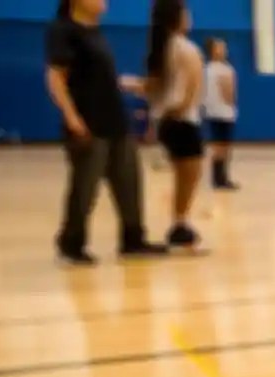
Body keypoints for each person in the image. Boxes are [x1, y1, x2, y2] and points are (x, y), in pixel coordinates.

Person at [45, 0, 167, 264]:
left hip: (116, 122)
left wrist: (133, 84)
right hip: (89, 124)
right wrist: (72, 117)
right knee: (85, 187)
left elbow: (99, 77)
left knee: (129, 182)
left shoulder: (96, 32)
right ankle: (71, 244)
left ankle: (133, 240)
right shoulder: (64, 30)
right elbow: (56, 78)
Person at [147, 0, 206, 250]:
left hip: (165, 120)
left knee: (181, 176)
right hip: (182, 120)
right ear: (177, 17)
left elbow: (153, 88)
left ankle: (179, 224)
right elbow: (193, 85)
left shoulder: (160, 48)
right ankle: (180, 224)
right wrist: (181, 108)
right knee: (189, 176)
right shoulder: (186, 47)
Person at [203, 37, 238, 190]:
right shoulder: (226, 69)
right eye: (221, 47)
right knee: (223, 146)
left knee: (218, 145)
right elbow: (229, 92)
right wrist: (231, 105)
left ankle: (217, 178)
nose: (224, 50)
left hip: (211, 111)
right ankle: (222, 178)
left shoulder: (206, 69)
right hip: (224, 112)